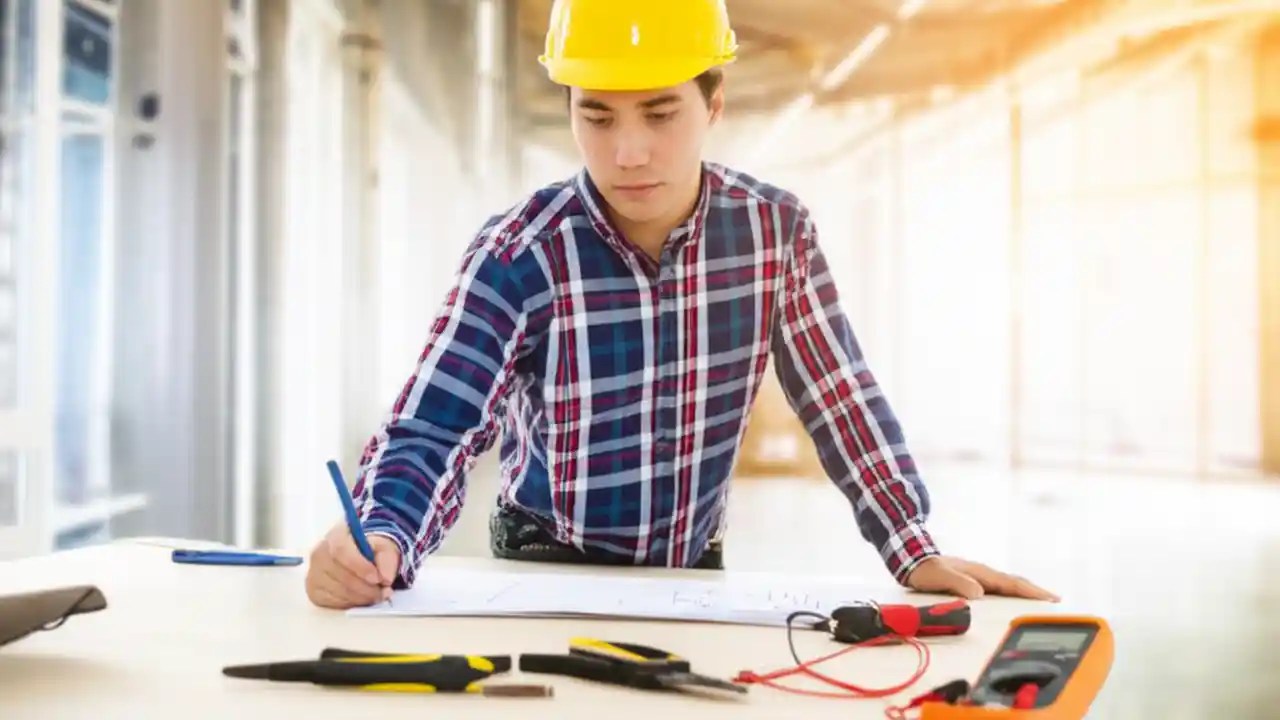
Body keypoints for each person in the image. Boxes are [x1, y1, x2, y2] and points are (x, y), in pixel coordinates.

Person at [304, 0, 1059, 610]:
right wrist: (384, 534)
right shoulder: (519, 253)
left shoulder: (774, 234)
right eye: (597, 116)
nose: (627, 152)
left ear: (714, 103)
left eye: (659, 114)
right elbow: (437, 422)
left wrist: (910, 543)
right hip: (544, 568)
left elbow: (840, 400)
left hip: (694, 572)